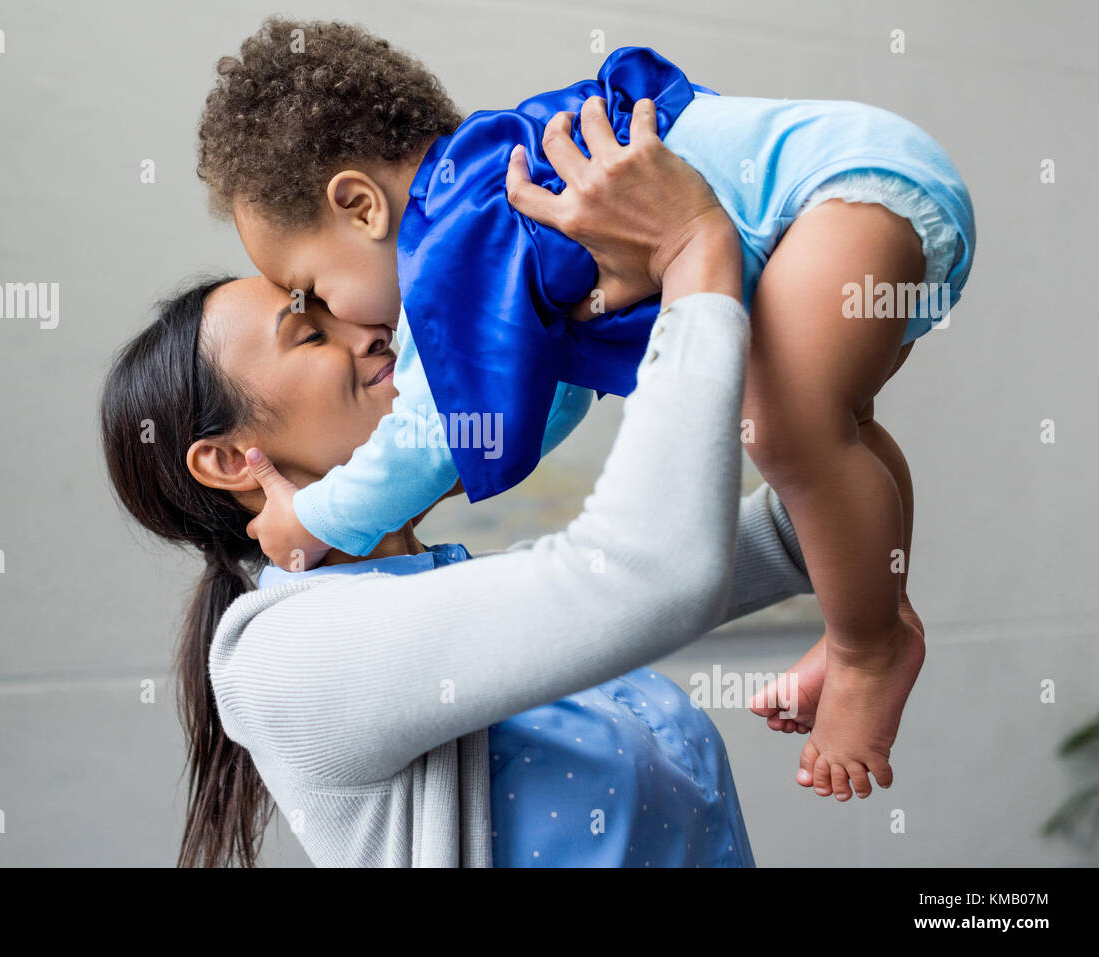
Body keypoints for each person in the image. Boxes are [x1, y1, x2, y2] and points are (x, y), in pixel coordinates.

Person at [197, 18, 967, 798]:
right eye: (309, 320)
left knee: (786, 428)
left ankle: (868, 649)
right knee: (838, 428)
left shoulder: (452, 239)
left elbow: (428, 437)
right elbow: (548, 396)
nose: (356, 329)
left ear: (361, 206)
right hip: (860, 188)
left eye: (319, 292)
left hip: (839, 199)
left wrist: (316, 516)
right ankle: (870, 619)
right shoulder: (487, 197)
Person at [101, 107, 815, 866]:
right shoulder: (281, 658)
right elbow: (657, 574)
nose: (369, 324)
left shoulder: (447, 583)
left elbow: (785, 537)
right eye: (310, 330)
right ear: (226, 460)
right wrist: (694, 256)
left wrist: (834, 427)